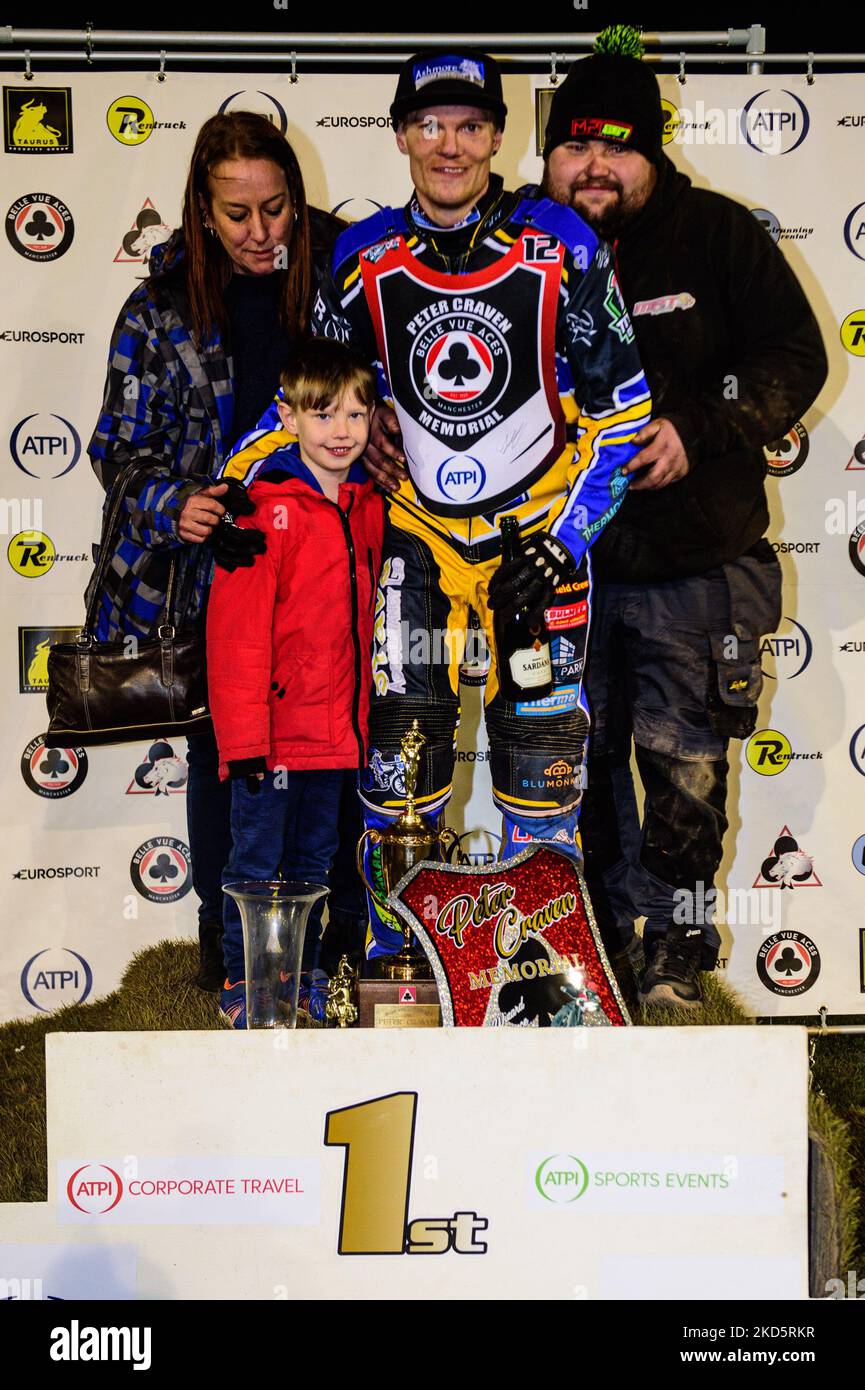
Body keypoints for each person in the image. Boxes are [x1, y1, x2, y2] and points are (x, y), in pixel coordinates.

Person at [304, 47, 651, 959]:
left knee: (543, 780)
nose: (448, 146)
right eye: (428, 126)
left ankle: (538, 975)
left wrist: (566, 537)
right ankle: (400, 976)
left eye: (467, 126)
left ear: (499, 136)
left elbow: (627, 415)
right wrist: (339, 432)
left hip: (535, 540)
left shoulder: (562, 243)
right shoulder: (357, 254)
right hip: (412, 546)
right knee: (398, 776)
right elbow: (308, 410)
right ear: (400, 137)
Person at [537, 30, 828, 1007]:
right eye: (573, 144)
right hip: (568, 570)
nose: (593, 165)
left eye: (616, 146)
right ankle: (597, 954)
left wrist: (699, 428)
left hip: (695, 570)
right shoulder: (525, 248)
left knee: (683, 779)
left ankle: (672, 963)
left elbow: (795, 355)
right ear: (548, 154)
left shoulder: (717, 234)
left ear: (652, 155)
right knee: (570, 783)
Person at [86, 111, 344, 993]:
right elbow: (116, 447)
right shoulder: (157, 308)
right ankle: (222, 952)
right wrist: (177, 502)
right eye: (237, 216)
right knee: (222, 754)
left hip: (328, 560)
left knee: (328, 750)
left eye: (276, 209)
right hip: (222, 567)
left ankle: (329, 949)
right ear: (200, 209)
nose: (262, 233)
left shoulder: (339, 278)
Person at [206, 340, 384, 1028]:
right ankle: (243, 984)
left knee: (314, 865)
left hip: (335, 737)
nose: (340, 432)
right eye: (322, 415)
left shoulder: (367, 506)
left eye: (355, 415)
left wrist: (360, 729)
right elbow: (237, 635)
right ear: (286, 416)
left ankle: (301, 979)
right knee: (254, 864)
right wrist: (245, 739)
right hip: (271, 739)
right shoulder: (259, 509)